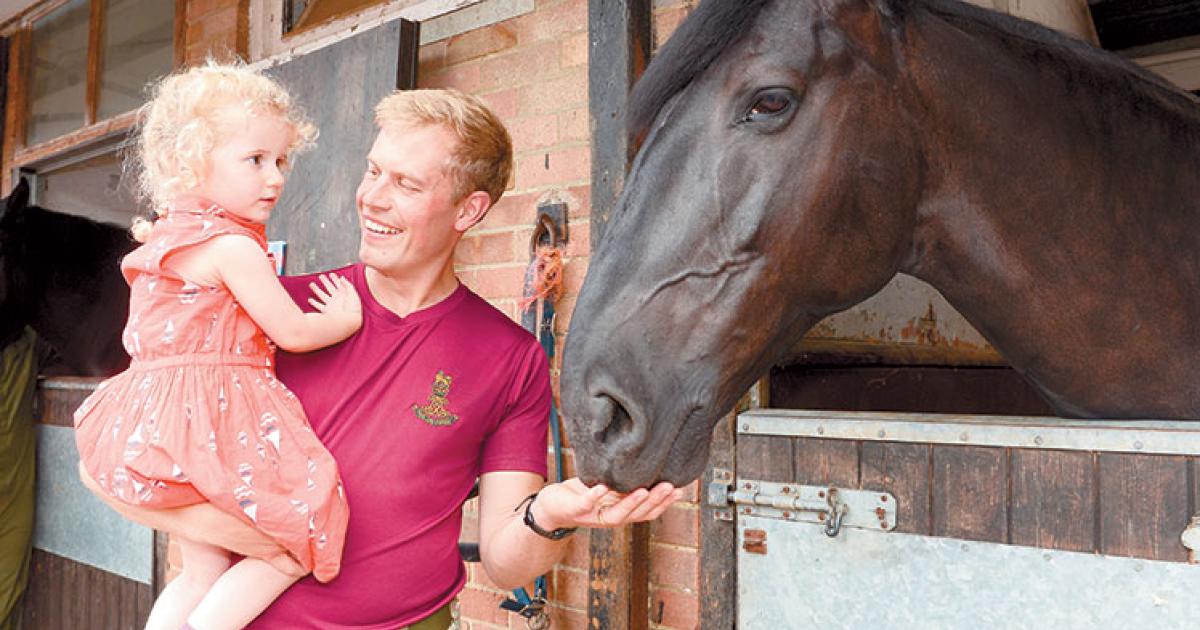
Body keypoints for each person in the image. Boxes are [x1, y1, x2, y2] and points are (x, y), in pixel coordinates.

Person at [82, 87, 681, 629]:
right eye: (373, 172)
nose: (372, 198)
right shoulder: (272, 312)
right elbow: (109, 465)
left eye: (406, 184)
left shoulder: (509, 356)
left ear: (468, 211)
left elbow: (506, 566)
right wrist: (263, 543)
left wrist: (549, 513)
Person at [73, 62, 361, 630]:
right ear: (192, 162)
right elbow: (294, 332)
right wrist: (345, 320)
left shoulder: (164, 239)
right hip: (219, 418)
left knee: (200, 571)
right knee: (302, 528)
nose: (274, 177)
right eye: (254, 160)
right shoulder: (233, 247)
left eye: (281, 160)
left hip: (160, 419)